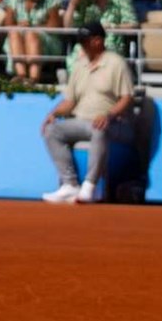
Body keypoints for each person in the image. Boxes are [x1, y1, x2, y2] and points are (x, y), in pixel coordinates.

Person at [41, 17, 136, 204]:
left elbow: (127, 98)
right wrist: (54, 114)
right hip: (81, 121)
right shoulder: (79, 66)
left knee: (99, 128)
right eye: (81, 42)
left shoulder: (116, 63)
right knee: (51, 130)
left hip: (113, 124)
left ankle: (90, 185)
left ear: (98, 41)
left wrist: (108, 115)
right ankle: (69, 184)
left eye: (85, 41)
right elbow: (70, 101)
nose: (82, 46)